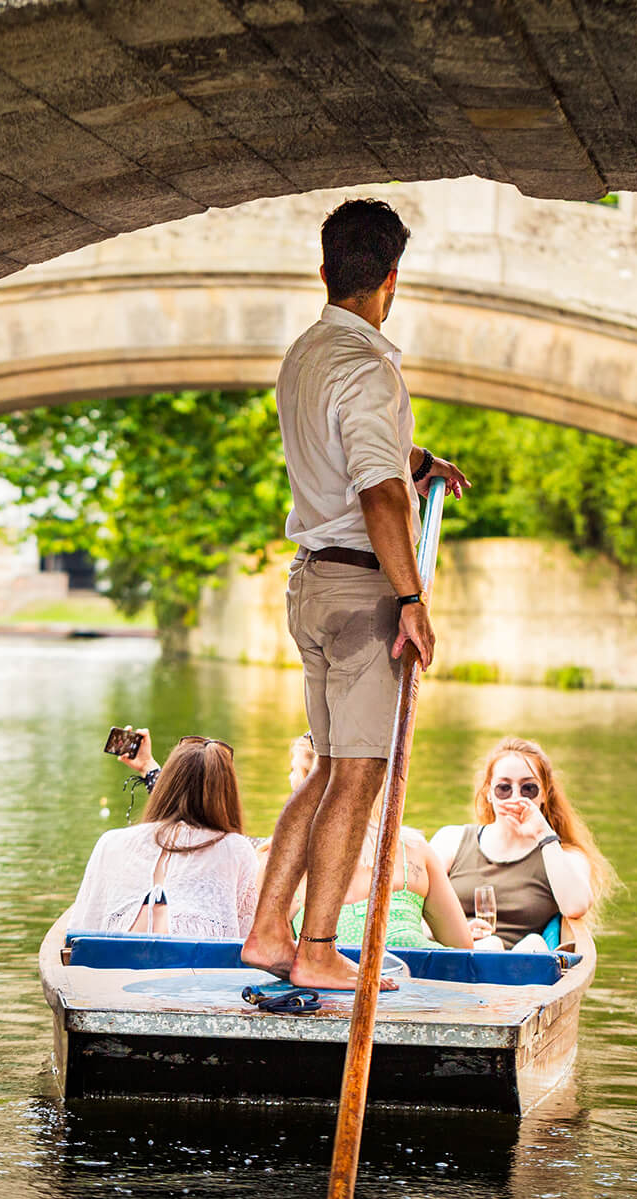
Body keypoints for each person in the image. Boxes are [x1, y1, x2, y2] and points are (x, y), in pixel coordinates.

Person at [242, 198, 469, 993]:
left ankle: (270, 931)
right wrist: (411, 598)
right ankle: (318, 946)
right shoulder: (372, 367)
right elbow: (373, 490)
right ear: (392, 282)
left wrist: (421, 459)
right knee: (359, 774)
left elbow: (360, 454)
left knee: (326, 769)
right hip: (360, 588)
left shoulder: (304, 355)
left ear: (326, 272)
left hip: (309, 582)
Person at [64, 728, 259, 939]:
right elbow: (247, 943)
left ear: (167, 784)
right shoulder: (237, 850)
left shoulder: (110, 842)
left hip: (118, 965)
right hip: (195, 969)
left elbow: (79, 934)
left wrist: (149, 767)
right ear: (226, 795)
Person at [430, 737, 615, 951]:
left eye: (528, 789)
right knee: (489, 946)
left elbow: (576, 906)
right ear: (489, 793)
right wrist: (457, 931)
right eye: (503, 788)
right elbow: (409, 911)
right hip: (450, 960)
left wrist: (542, 833)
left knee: (526, 944)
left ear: (544, 794)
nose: (516, 798)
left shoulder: (562, 855)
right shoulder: (452, 840)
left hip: (520, 969)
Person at [292, 818, 474, 950]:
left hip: (327, 990)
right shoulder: (413, 849)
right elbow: (461, 947)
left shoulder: (284, 861)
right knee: (491, 945)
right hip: (414, 979)